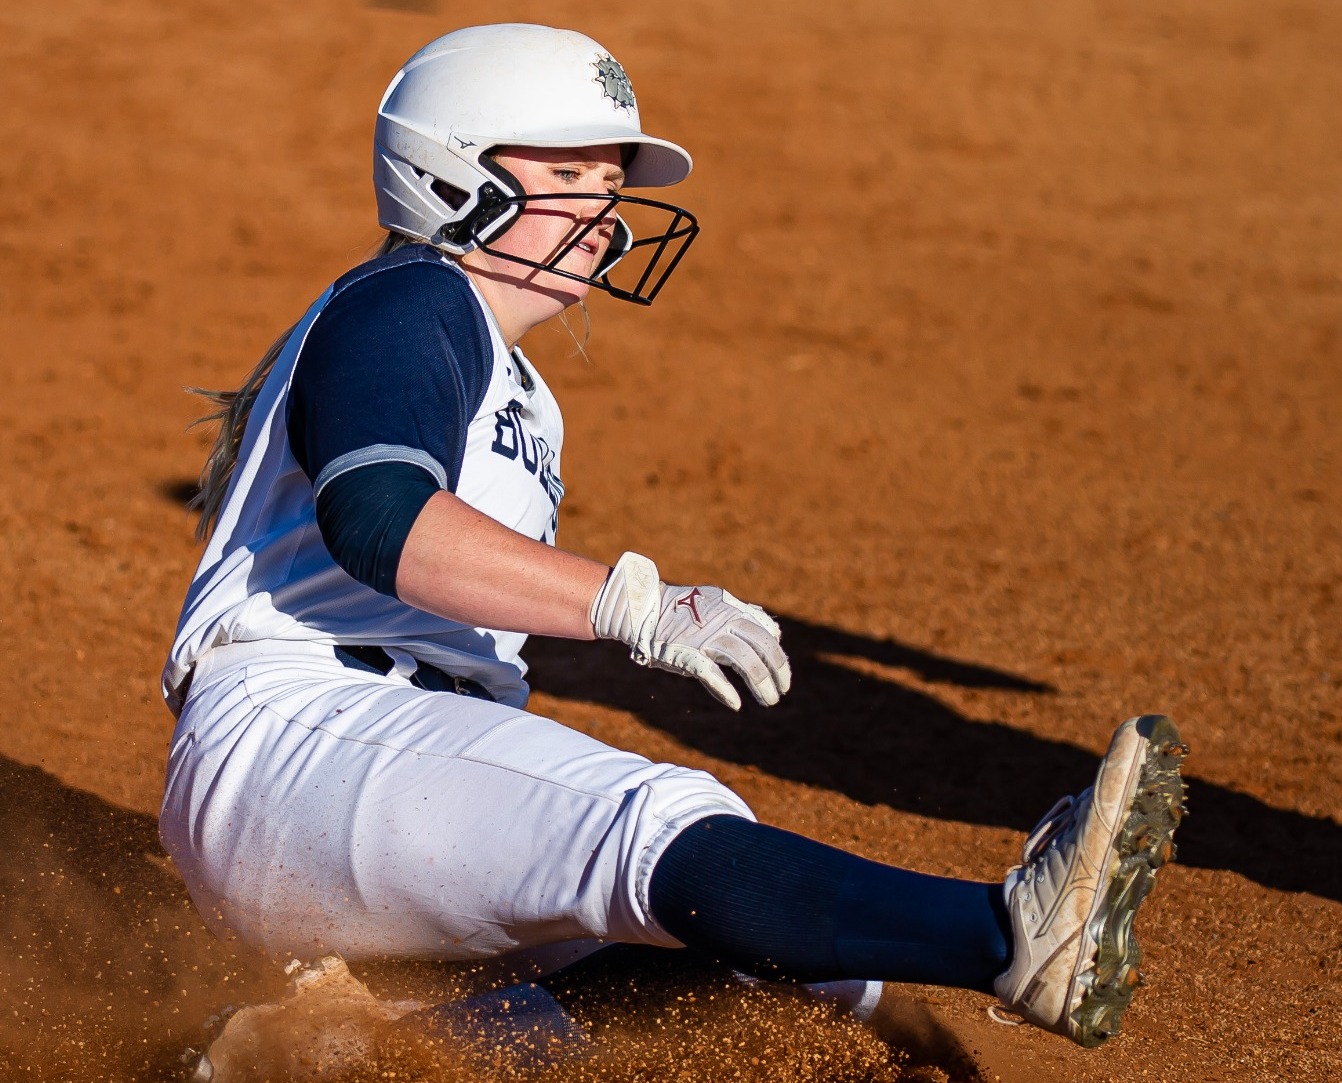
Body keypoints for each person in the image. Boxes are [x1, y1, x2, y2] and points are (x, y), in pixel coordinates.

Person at [158, 22, 1187, 1072]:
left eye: (608, 187)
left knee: (747, 951)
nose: (602, 217)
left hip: (382, 780)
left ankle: (344, 1062)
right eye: (567, 174)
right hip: (301, 742)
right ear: (448, 174)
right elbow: (382, 521)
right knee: (659, 823)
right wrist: (636, 604)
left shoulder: (522, 391)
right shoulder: (412, 296)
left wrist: (868, 1002)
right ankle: (1008, 935)